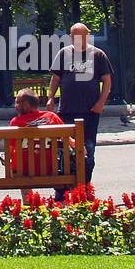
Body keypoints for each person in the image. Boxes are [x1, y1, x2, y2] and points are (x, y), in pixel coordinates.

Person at [47, 23, 112, 185]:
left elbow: (107, 82)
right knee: (64, 150)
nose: (78, 39)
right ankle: (63, 188)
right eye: (74, 36)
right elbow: (56, 78)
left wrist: (100, 104)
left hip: (89, 112)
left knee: (87, 149)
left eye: (81, 35)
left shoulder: (98, 55)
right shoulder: (64, 53)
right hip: (66, 111)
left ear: (87, 36)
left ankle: (84, 186)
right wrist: (50, 98)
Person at [9, 88, 76, 201]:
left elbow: (10, 149)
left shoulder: (15, 122)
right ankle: (65, 200)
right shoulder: (51, 117)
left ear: (26, 105)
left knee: (17, 164)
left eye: (17, 102)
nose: (15, 105)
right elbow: (69, 141)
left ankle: (28, 202)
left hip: (24, 171)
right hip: (50, 169)